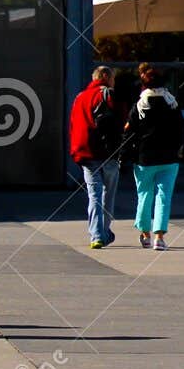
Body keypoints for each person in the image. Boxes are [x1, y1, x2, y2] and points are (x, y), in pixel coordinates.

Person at [124, 65, 184, 251]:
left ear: (144, 85)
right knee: (164, 197)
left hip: (144, 158)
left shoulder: (140, 106)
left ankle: (145, 233)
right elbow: (181, 131)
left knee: (144, 195)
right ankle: (159, 237)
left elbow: (129, 133)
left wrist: (125, 155)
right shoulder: (172, 103)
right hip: (169, 158)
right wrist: (179, 149)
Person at [69, 65, 125, 249]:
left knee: (94, 194)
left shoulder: (80, 97)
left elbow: (74, 125)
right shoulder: (108, 95)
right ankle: (105, 231)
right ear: (106, 77)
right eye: (113, 78)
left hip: (86, 152)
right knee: (108, 194)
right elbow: (120, 120)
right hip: (107, 152)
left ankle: (96, 235)